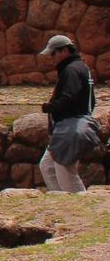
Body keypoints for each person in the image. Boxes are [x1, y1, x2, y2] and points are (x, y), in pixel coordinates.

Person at [38, 34, 99, 193]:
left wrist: (50, 107)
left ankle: (81, 206)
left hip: (69, 127)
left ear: (64, 51)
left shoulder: (71, 70)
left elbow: (68, 97)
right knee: (47, 165)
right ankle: (61, 202)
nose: (52, 58)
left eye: (53, 53)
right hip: (70, 125)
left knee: (66, 172)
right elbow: (92, 100)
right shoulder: (81, 67)